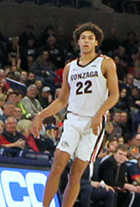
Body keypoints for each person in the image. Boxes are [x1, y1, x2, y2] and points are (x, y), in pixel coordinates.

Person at [30, 22, 122, 207]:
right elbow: (62, 101)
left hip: (93, 124)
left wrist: (99, 114)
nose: (86, 41)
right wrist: (40, 115)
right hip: (73, 119)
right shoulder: (70, 67)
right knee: (57, 166)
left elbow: (115, 95)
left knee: (76, 174)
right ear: (78, 42)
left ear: (96, 42)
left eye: (90, 38)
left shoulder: (105, 63)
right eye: (83, 38)